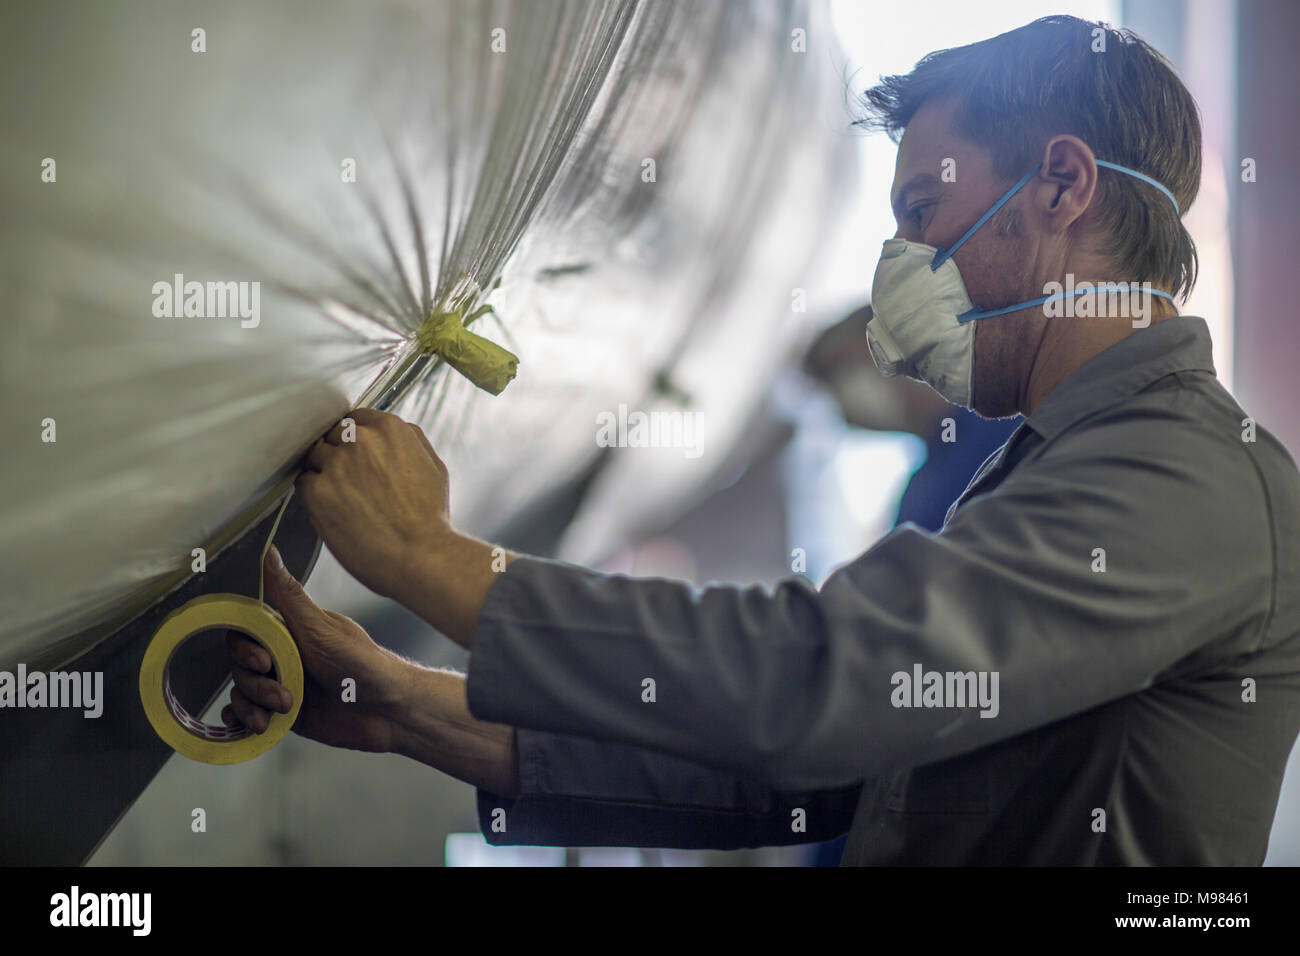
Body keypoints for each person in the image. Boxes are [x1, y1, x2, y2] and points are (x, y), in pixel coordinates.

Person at [224, 16, 1300, 864]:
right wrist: (407, 706)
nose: (901, 259)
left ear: (1062, 184)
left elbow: (817, 679)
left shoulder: (1185, 473)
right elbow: (812, 777)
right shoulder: (1051, 462)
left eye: (925, 208)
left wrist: (436, 559)